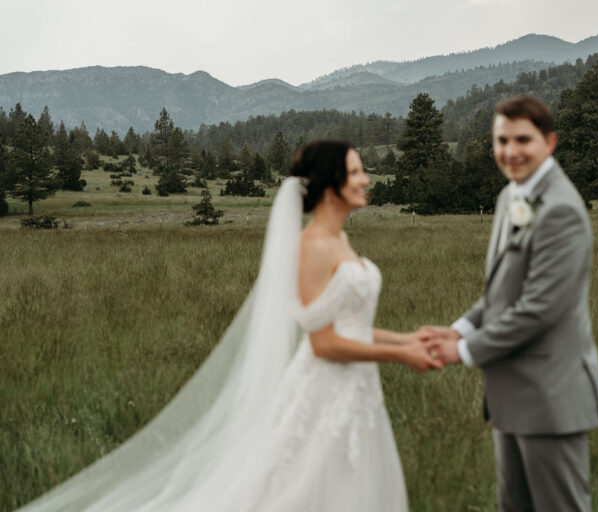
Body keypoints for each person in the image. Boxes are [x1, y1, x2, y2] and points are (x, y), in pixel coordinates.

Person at [18, 139, 441, 512]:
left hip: (356, 389)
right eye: (355, 171)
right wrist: (400, 354)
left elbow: (349, 327)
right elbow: (324, 344)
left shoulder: (342, 240)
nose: (366, 179)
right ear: (331, 185)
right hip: (324, 390)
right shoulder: (312, 247)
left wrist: (410, 337)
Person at [422, 96, 598, 511]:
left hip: (549, 396)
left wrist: (463, 350)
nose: (510, 151)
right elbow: (502, 293)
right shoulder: (512, 197)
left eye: (522, 139)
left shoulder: (561, 210)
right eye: (501, 140)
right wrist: (459, 328)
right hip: (511, 394)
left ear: (550, 141)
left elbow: (540, 309)